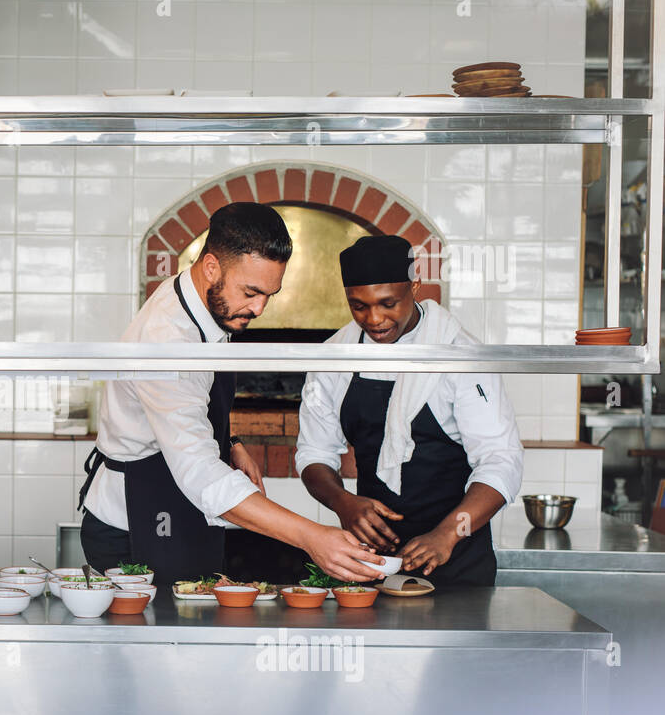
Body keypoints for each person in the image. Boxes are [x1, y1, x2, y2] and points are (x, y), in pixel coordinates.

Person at [78, 203, 385, 607]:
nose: (259, 309)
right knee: (157, 647)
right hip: (134, 520)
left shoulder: (203, 299)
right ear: (210, 267)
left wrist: (232, 440)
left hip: (171, 496)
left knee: (192, 628)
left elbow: (190, 400)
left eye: (268, 295)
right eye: (251, 293)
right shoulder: (167, 342)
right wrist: (311, 537)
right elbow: (201, 473)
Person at [296, 234, 524, 584]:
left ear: (414, 286)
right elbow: (314, 453)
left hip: (457, 555)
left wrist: (448, 534)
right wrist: (342, 502)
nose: (374, 319)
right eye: (359, 306)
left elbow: (501, 458)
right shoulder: (334, 356)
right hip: (372, 557)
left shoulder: (460, 355)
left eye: (388, 303)